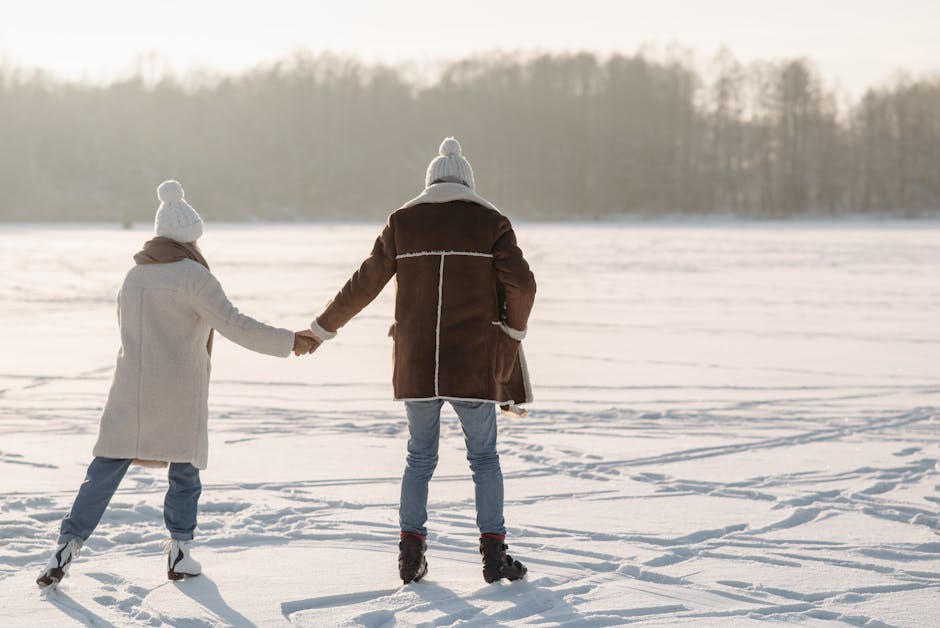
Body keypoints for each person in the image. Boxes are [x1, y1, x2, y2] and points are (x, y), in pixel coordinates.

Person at [36, 180, 318, 589]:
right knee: (184, 471)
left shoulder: (134, 275)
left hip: (130, 386)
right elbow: (235, 324)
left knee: (105, 469)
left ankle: (66, 545)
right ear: (190, 238)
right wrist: (289, 341)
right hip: (178, 389)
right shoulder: (193, 276)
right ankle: (180, 552)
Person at [302, 138, 536, 584]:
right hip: (473, 362)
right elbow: (522, 285)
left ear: (430, 183)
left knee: (419, 458)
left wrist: (322, 328)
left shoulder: (402, 223)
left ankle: (410, 556)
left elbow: (365, 282)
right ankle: (494, 555)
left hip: (416, 363)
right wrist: (513, 331)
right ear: (468, 184)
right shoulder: (491, 223)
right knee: (484, 459)